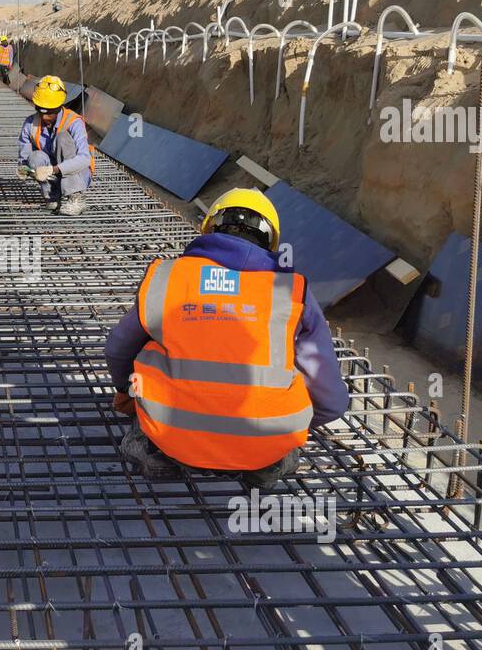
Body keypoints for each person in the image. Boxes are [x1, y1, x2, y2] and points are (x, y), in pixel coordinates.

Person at [104, 188, 349, 489]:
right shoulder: (292, 291)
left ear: (209, 227)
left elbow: (118, 348)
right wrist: (288, 427)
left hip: (170, 434)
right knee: (286, 365)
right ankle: (266, 462)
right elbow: (332, 400)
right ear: (270, 240)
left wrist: (125, 389)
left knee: (149, 346)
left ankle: (154, 451)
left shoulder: (168, 276)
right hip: (264, 444)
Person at [16, 75, 92, 215]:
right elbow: (24, 159)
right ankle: (52, 197)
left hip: (77, 176)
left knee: (62, 137)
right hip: (52, 177)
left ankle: (76, 198)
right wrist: (26, 170)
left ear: (59, 107)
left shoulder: (74, 122)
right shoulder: (30, 123)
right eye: (41, 111)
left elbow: (84, 159)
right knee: (35, 157)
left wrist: (54, 169)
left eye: (50, 113)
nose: (45, 117)